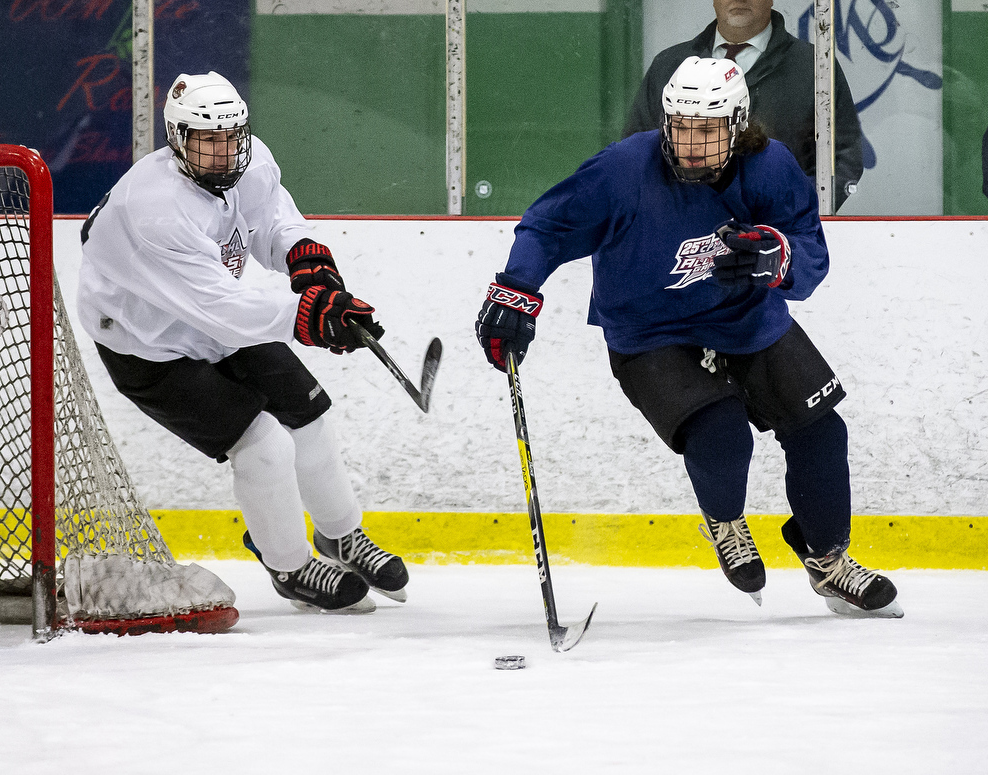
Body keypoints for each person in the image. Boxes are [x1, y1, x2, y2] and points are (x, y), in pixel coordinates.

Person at [476, 56, 902, 618]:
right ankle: (725, 522)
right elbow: (549, 225)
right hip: (650, 331)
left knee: (822, 432)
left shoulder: (770, 168)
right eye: (681, 127)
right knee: (721, 431)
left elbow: (811, 253)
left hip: (748, 320)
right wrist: (514, 290)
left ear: (739, 124)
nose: (692, 143)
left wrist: (779, 257)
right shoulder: (623, 170)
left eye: (707, 129)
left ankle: (828, 561)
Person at [77, 71, 408, 614]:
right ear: (177, 140)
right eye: (207, 141)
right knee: (264, 444)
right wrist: (315, 316)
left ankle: (340, 535)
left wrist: (305, 258)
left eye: (231, 137)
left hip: (213, 318)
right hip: (149, 345)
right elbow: (225, 312)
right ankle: (289, 565)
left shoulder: (248, 161)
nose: (223, 152)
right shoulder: (154, 210)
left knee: (310, 416)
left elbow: (273, 219)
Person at [623, 0, 863, 212]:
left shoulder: (815, 66)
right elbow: (638, 151)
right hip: (681, 230)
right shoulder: (669, 65)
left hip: (779, 231)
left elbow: (843, 157)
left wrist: (792, 211)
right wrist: (672, 212)